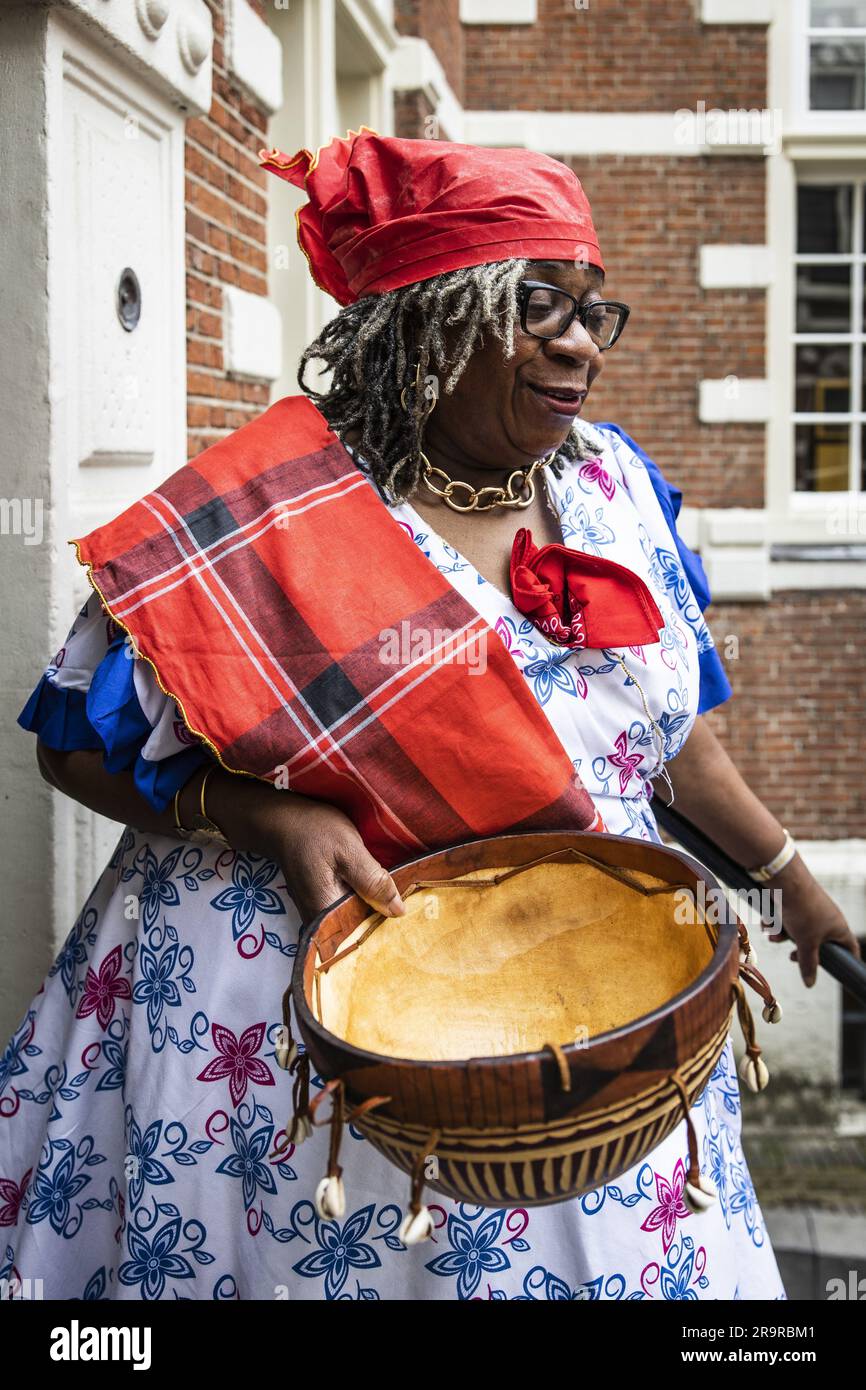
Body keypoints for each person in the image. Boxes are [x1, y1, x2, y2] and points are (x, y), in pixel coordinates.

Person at [2, 131, 858, 1301]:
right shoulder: (267, 516)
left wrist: (791, 885)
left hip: (583, 1001)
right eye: (533, 304)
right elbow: (71, 745)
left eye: (588, 309)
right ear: (422, 325)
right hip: (310, 1032)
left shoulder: (609, 487)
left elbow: (666, 742)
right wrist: (258, 817)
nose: (575, 340)